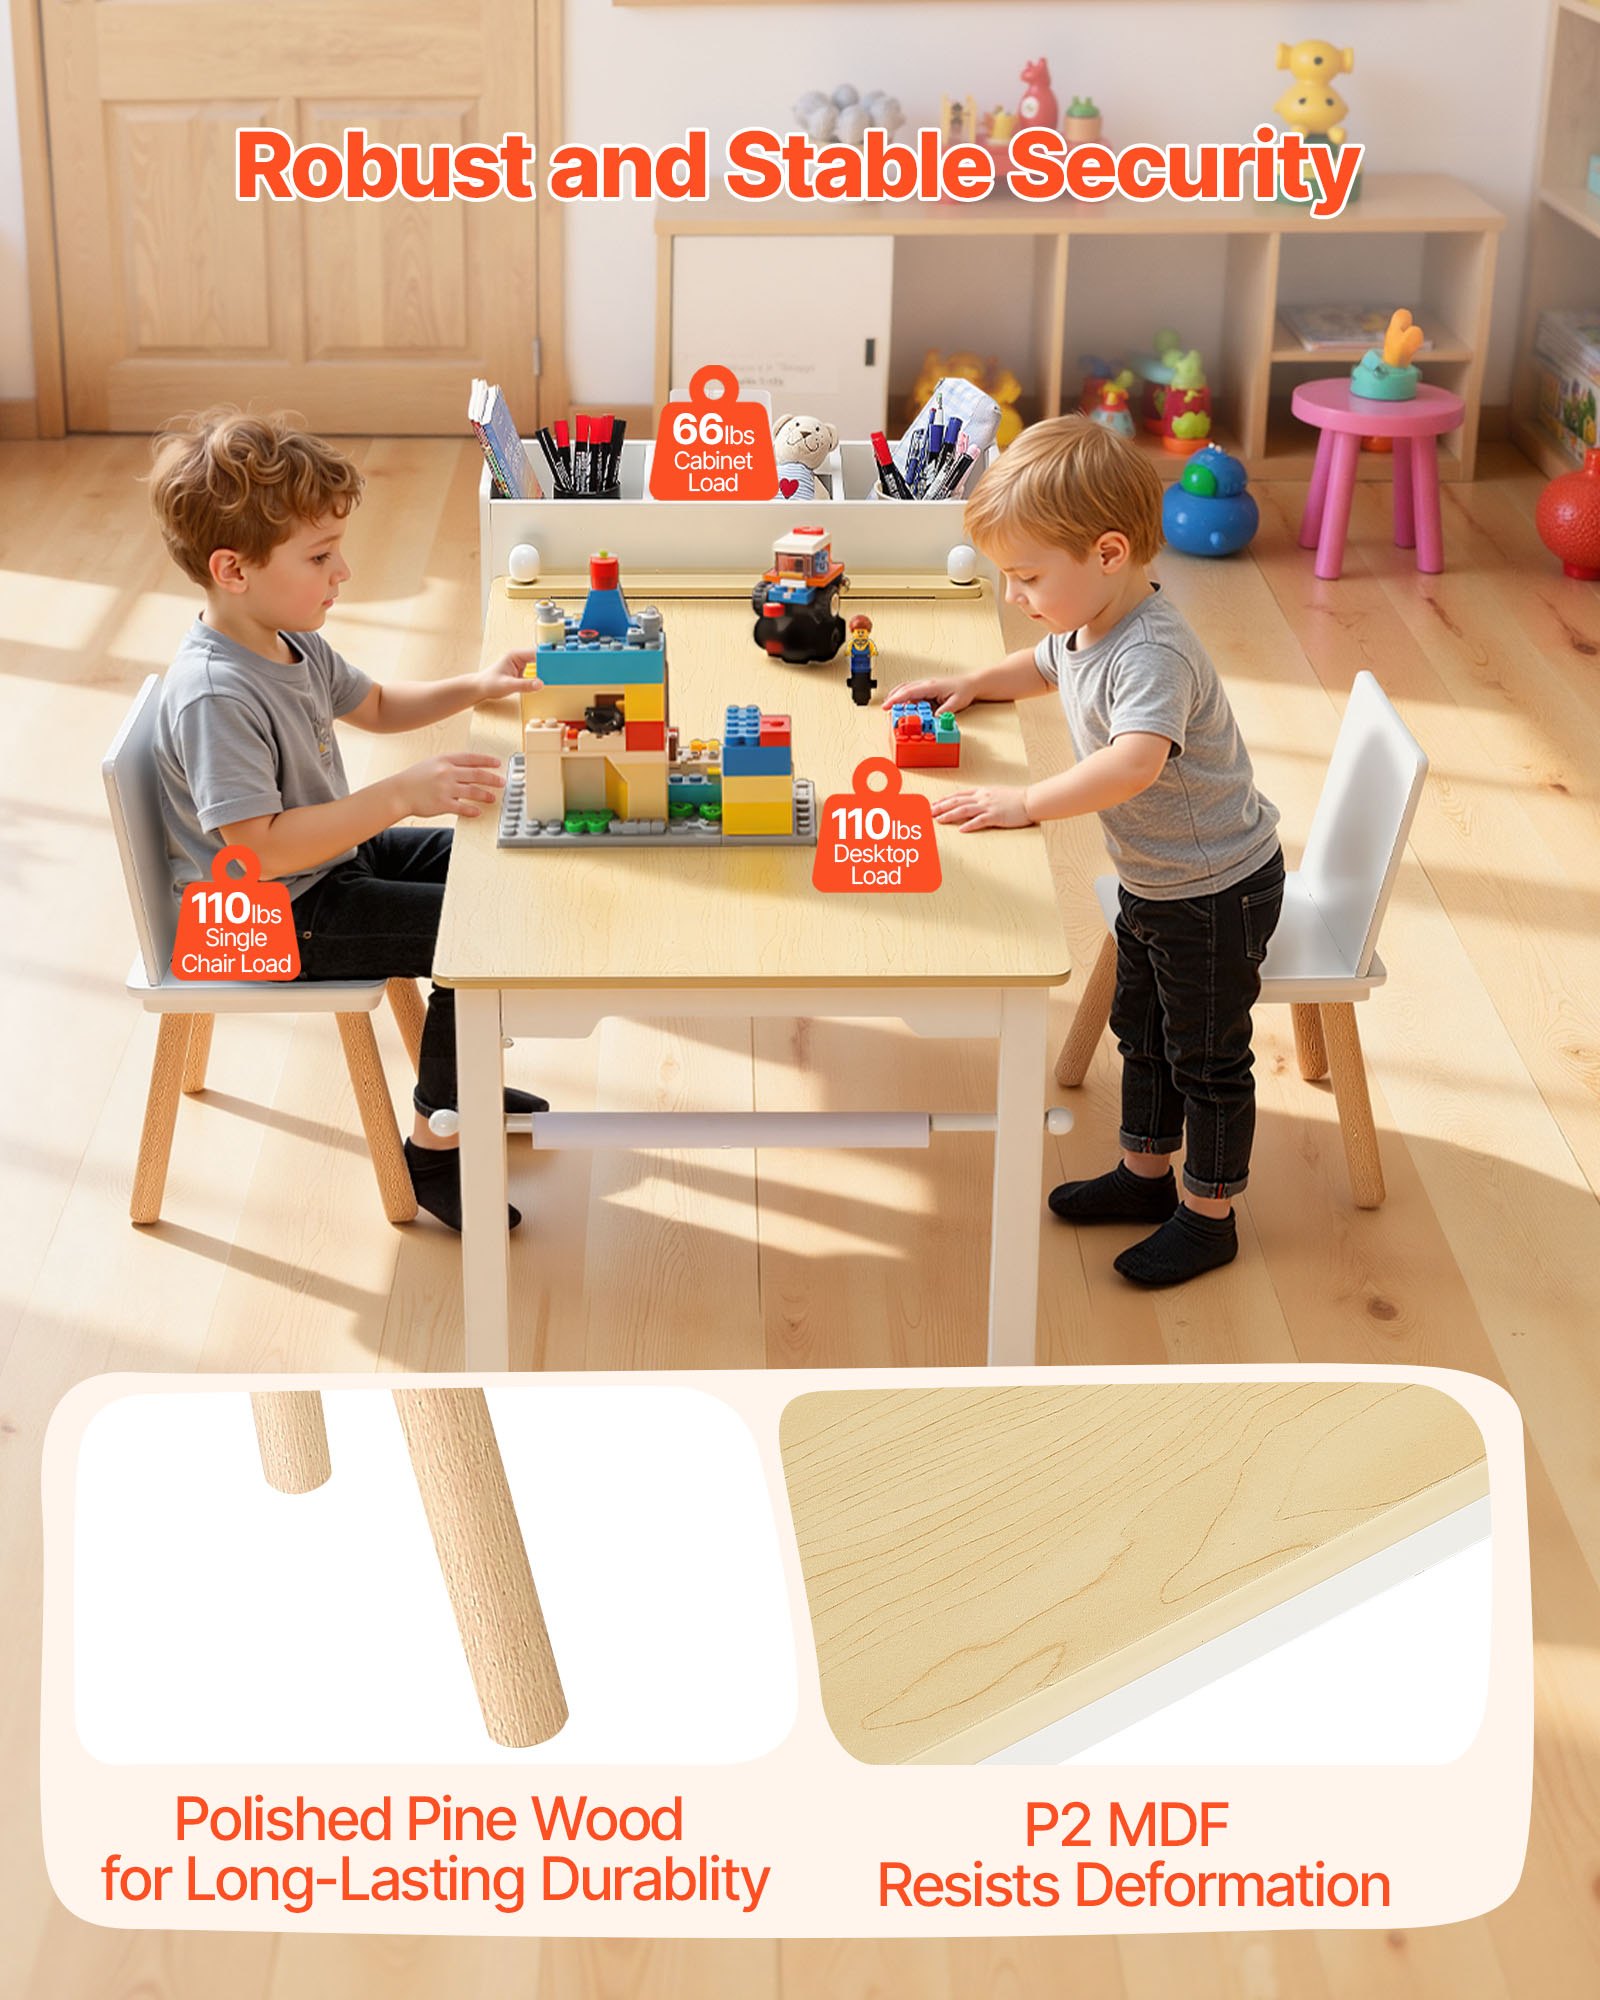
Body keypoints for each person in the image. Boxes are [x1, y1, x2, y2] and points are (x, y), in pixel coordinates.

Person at [882, 416, 1283, 1287]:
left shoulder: (1154, 652)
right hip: (1159, 879)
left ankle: (1210, 1217)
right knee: (1141, 1032)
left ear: (1107, 554)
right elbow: (1044, 661)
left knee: (1207, 1057)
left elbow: (1134, 763)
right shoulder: (1091, 620)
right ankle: (1145, 1175)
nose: (1017, 594)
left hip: (1215, 889)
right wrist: (973, 683)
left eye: (1027, 577)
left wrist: (1026, 802)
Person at [147, 407, 541, 1231]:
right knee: (480, 934)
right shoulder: (218, 692)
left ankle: (456, 1072)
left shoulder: (286, 639)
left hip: (327, 869)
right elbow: (254, 853)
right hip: (277, 919)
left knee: (495, 867)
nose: (344, 571)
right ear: (234, 569)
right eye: (321, 556)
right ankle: (436, 1148)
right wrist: (400, 794)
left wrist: (478, 683)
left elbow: (380, 704)